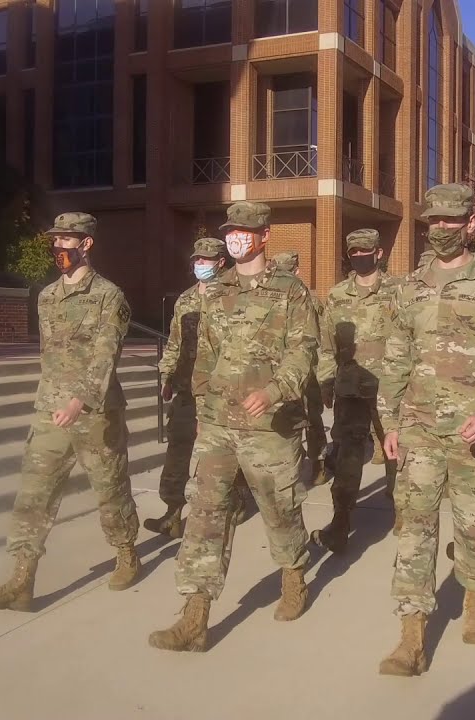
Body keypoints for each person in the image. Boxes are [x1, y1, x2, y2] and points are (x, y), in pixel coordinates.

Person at [376, 184, 475, 676]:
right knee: (414, 531)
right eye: (434, 220)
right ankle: (411, 637)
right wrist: (390, 421)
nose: (441, 228)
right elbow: (394, 359)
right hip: (419, 431)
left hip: (474, 435)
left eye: (451, 220)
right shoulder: (408, 288)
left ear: (471, 224)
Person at [149, 201, 318, 652]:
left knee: (279, 509)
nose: (236, 238)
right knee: (206, 513)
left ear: (264, 236)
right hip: (220, 423)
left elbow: (304, 350)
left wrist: (276, 390)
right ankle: (194, 615)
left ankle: (293, 574)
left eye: (244, 230)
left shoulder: (291, 291)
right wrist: (203, 412)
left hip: (270, 424)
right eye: (230, 231)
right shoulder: (215, 291)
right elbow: (205, 356)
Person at [0, 212, 140, 612]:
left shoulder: (109, 296)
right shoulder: (46, 296)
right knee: (34, 493)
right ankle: (21, 579)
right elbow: (49, 354)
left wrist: (80, 399)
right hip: (50, 409)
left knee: (110, 489)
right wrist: (54, 398)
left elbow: (106, 353)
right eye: (56, 240)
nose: (58, 247)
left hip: (96, 412)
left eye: (66, 239)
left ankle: (126, 553)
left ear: (86, 244)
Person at [146, 237, 246, 539]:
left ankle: (229, 503)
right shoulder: (186, 299)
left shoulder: (232, 297)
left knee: (217, 453)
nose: (199, 264)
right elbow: (174, 341)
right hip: (186, 389)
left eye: (205, 259)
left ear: (221, 262)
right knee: (178, 448)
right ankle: (173, 512)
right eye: (196, 259)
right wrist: (166, 375)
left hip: (219, 391)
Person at [311, 228, 404, 553]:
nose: (361, 257)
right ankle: (341, 522)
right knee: (348, 457)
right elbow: (326, 345)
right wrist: (325, 382)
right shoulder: (338, 294)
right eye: (355, 252)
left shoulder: (399, 290)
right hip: (350, 390)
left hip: (390, 388)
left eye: (366, 251)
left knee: (396, 452)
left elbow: (412, 339)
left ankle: (404, 514)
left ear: (379, 253)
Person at [271, 251, 329, 484]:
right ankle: (300, 460)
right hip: (282, 369)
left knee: (310, 416)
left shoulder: (308, 299)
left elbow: (320, 333)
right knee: (291, 417)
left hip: (303, 370)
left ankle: (317, 462)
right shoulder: (270, 295)